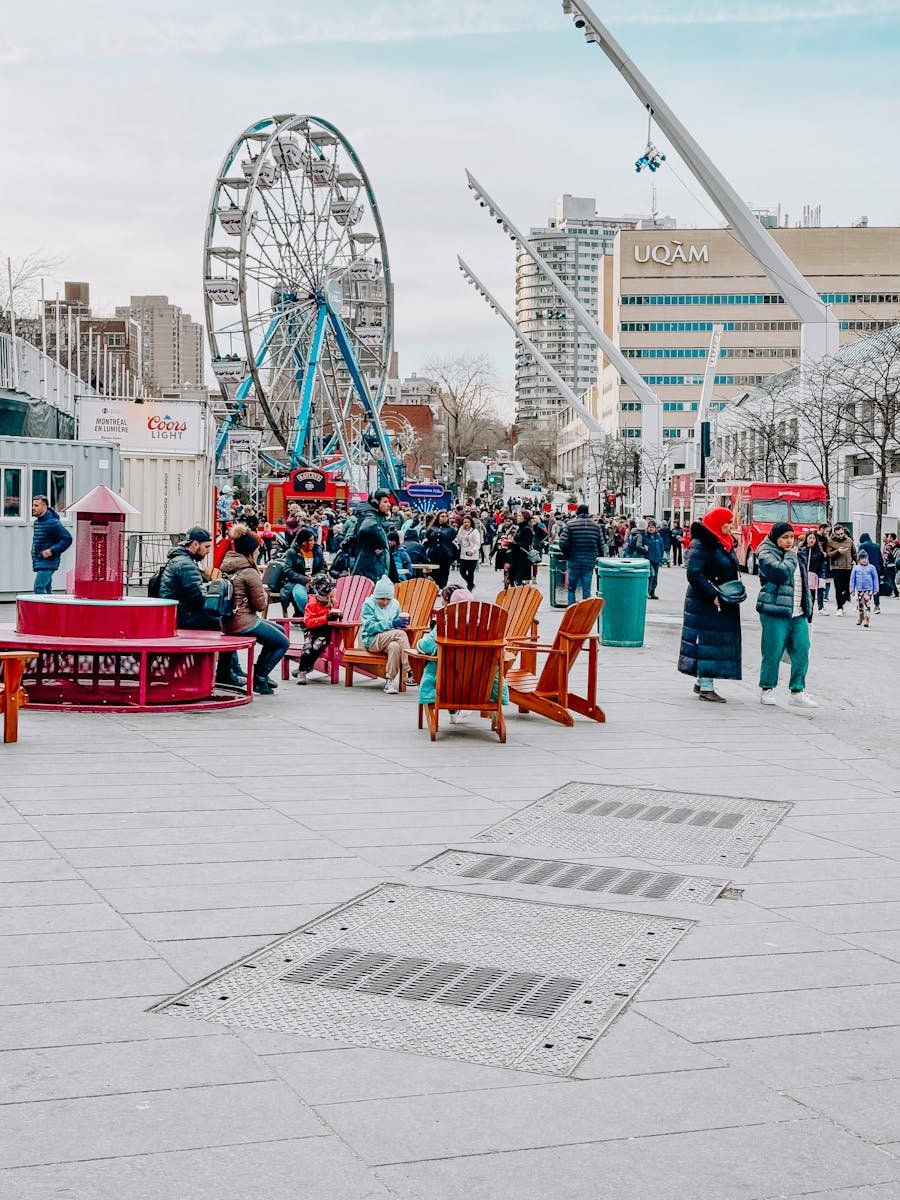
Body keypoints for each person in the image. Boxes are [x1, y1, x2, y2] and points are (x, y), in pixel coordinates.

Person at [158, 526, 243, 686]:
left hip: (178, 613)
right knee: (227, 623)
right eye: (207, 547)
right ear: (195, 544)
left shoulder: (181, 560)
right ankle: (226, 673)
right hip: (183, 617)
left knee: (223, 618)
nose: (208, 551)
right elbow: (199, 598)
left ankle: (232, 669)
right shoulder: (186, 564)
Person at [677, 507, 743, 704]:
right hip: (706, 602)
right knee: (709, 642)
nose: (731, 526)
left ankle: (701, 680)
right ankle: (706, 686)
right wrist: (712, 595)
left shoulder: (721, 542)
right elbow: (694, 573)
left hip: (720, 599)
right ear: (718, 523)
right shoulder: (703, 543)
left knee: (713, 641)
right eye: (728, 522)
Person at [416, 588, 508, 725]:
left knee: (430, 667)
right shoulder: (489, 627)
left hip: (448, 685)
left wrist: (418, 643)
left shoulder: (445, 624)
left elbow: (424, 647)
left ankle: (442, 715)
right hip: (481, 685)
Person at [219, 526, 289, 695]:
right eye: (257, 550)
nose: (259, 553)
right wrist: (264, 592)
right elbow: (260, 606)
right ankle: (260, 676)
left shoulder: (227, 566)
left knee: (279, 630)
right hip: (243, 622)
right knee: (282, 642)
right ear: (251, 552)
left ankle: (260, 674)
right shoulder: (249, 571)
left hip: (228, 620)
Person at [757, 522, 817, 708]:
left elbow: (803, 582)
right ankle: (767, 688)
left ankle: (797, 691)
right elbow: (780, 573)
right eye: (784, 537)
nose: (789, 541)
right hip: (775, 610)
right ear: (776, 538)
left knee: (802, 649)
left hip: (797, 611)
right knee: (772, 651)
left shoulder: (796, 554)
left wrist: (808, 608)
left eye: (791, 536)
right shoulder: (766, 553)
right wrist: (791, 556)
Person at [359, 576, 412, 694]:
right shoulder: (369, 604)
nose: (385, 602)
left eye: (388, 599)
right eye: (381, 599)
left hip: (389, 638)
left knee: (395, 646)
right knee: (400, 634)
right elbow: (369, 627)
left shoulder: (395, 604)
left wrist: (402, 624)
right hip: (371, 639)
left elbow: (396, 624)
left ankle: (389, 682)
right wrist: (391, 624)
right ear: (376, 596)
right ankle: (410, 669)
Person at [294, 575, 342, 684]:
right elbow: (308, 622)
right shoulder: (312, 604)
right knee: (308, 648)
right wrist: (325, 618)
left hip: (327, 632)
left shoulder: (334, 602)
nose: (335, 590)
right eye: (332, 588)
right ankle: (302, 672)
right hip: (312, 631)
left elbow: (336, 619)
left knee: (317, 645)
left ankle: (307, 667)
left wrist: (339, 616)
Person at [558, 504, 605, 604]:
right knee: (586, 589)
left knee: (571, 588)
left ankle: (571, 608)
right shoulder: (596, 526)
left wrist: (567, 554)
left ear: (577, 512)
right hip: (589, 562)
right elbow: (601, 545)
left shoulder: (570, 525)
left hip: (573, 560)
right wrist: (599, 559)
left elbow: (562, 543)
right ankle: (585, 611)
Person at [30, 495, 72, 594]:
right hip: (39, 560)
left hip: (48, 562)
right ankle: (52, 609)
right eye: (33, 505)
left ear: (44, 507)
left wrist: (52, 550)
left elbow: (67, 538)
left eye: (36, 505)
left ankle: (42, 609)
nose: (33, 508)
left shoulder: (53, 523)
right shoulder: (38, 522)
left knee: (39, 587)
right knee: (47, 591)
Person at [279, 528, 326, 617]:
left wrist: (314, 578)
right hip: (297, 582)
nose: (313, 543)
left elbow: (323, 568)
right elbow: (287, 570)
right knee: (300, 595)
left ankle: (321, 616)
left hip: (317, 581)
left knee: (326, 594)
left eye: (313, 540)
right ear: (303, 542)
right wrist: (304, 580)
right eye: (310, 540)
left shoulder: (317, 551)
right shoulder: (292, 552)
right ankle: (308, 616)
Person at [352, 490, 396, 582]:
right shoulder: (370, 516)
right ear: (375, 503)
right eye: (385, 502)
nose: (389, 505)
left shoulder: (374, 517)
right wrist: (380, 544)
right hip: (371, 573)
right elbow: (367, 528)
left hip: (373, 573)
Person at [825, 525, 857, 616]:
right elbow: (828, 554)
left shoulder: (849, 541)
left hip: (848, 568)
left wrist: (858, 563)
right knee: (838, 588)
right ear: (835, 533)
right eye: (838, 534)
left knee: (847, 588)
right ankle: (839, 607)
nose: (840, 536)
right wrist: (838, 551)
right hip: (837, 568)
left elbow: (854, 553)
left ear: (844, 532)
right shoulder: (831, 542)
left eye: (841, 534)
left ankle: (844, 600)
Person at [424, 510, 458, 589]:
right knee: (434, 573)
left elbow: (454, 544)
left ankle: (441, 587)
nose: (444, 518)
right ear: (438, 517)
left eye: (446, 516)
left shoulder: (451, 530)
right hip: (433, 554)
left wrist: (453, 556)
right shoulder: (431, 529)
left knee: (444, 573)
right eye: (442, 516)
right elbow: (427, 541)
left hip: (445, 555)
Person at [798, 530, 826, 620]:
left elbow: (822, 568)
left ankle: (809, 618)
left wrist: (822, 579)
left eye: (813, 538)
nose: (812, 540)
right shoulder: (801, 551)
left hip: (813, 579)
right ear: (806, 539)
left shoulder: (819, 553)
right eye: (810, 538)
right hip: (803, 578)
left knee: (811, 599)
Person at [850, 551, 880, 629]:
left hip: (868, 590)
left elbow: (875, 579)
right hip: (860, 589)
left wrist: (876, 589)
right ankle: (861, 616)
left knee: (867, 604)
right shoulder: (856, 568)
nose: (864, 560)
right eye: (862, 558)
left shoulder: (871, 568)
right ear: (858, 560)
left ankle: (867, 619)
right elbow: (852, 579)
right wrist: (852, 590)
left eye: (865, 558)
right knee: (860, 604)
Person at [507, 509, 535, 587]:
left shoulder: (526, 529)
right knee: (514, 579)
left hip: (522, 558)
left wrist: (514, 543)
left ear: (525, 518)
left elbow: (527, 543)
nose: (517, 518)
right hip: (517, 556)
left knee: (518, 580)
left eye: (520, 516)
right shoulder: (521, 528)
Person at [455, 514, 482, 590]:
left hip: (472, 555)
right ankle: (471, 583)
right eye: (464, 522)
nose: (466, 524)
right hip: (463, 554)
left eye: (468, 522)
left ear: (471, 523)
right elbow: (459, 541)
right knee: (462, 571)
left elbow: (477, 543)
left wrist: (472, 550)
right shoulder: (462, 530)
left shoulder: (475, 531)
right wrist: (460, 530)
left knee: (470, 572)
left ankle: (470, 586)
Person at [858, 533, 883, 613]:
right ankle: (877, 606)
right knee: (876, 587)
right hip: (876, 569)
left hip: (866, 570)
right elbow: (880, 559)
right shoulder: (876, 546)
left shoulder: (862, 546)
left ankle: (865, 604)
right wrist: (881, 570)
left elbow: (859, 557)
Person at [884, 534, 900, 598]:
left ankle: (895, 592)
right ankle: (895, 592)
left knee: (890, 579)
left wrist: (885, 562)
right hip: (895, 564)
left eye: (889, 537)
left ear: (891, 538)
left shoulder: (889, 545)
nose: (887, 538)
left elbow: (886, 555)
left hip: (889, 564)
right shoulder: (897, 545)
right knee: (892, 579)